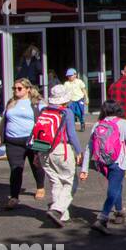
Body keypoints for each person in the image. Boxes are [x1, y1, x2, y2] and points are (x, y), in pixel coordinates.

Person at [81, 99, 126, 235]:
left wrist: (84, 169)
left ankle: (119, 212)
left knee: (116, 186)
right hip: (118, 161)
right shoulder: (122, 123)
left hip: (101, 162)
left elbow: (89, 148)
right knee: (113, 189)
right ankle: (103, 218)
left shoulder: (98, 124)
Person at [39, 84, 82, 228]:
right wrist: (79, 150)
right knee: (70, 181)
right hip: (60, 149)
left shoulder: (43, 110)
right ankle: (57, 210)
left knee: (55, 181)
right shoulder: (66, 112)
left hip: (43, 149)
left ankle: (63, 216)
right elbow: (71, 134)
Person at [0, 78, 46, 210]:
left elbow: (47, 117)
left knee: (37, 165)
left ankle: (40, 187)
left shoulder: (37, 103)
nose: (16, 91)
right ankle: (14, 197)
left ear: (28, 89)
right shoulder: (11, 103)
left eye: (19, 88)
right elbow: (4, 120)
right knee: (15, 169)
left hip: (34, 140)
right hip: (13, 141)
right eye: (14, 88)